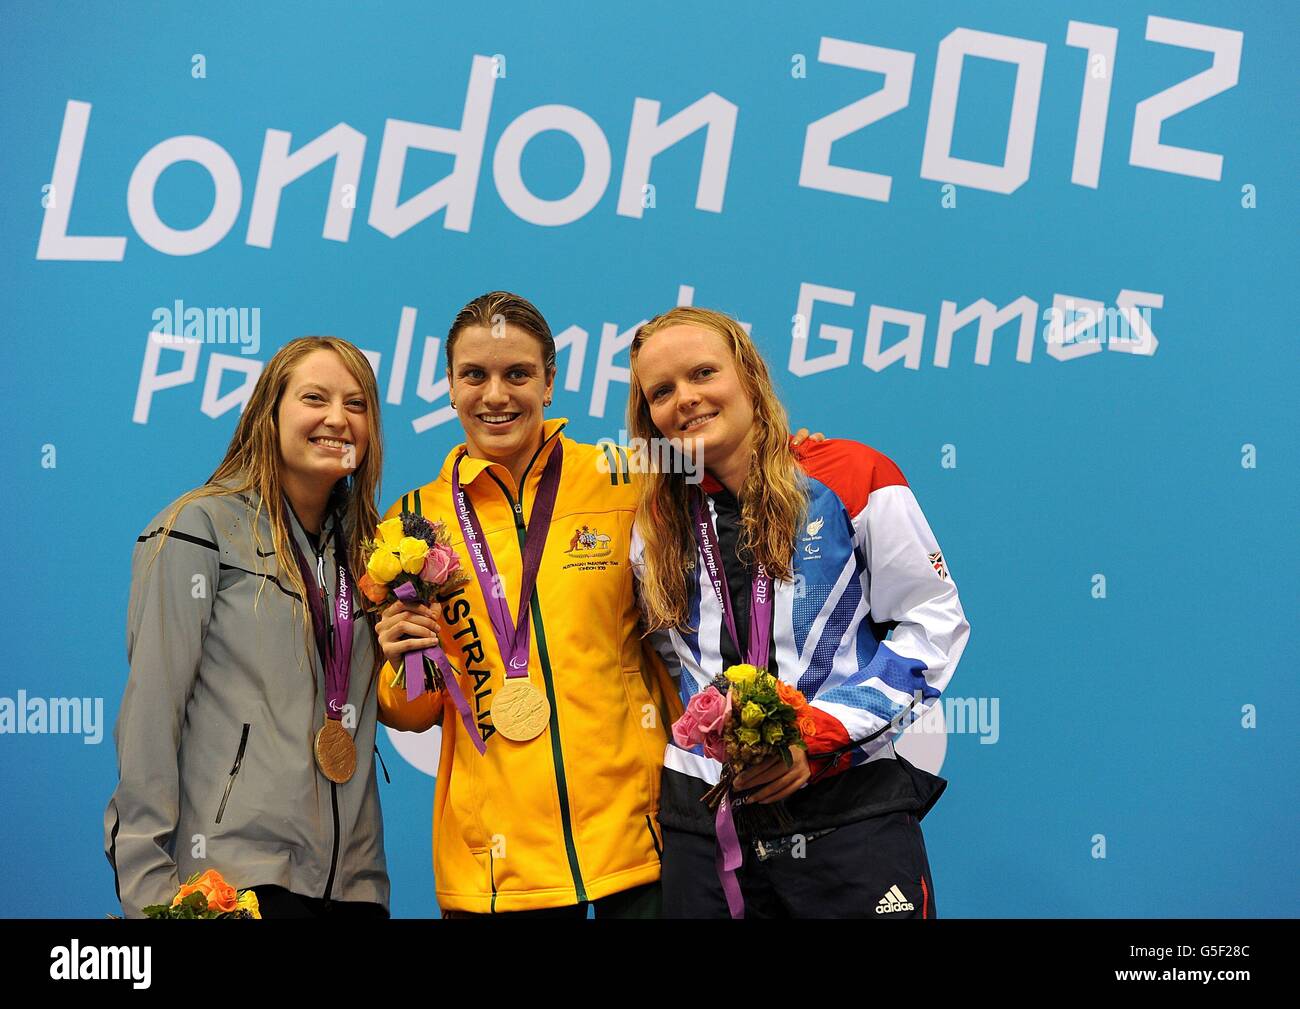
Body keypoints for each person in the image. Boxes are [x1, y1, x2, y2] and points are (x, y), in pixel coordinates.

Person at [628, 306, 971, 918]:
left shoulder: (851, 474)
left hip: (846, 806)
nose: (685, 398)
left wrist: (822, 733)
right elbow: (663, 652)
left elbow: (932, 622)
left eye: (703, 373)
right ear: (648, 416)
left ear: (749, 375)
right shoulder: (649, 523)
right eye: (661, 391)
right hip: (705, 824)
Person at [374, 291, 675, 917]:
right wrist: (403, 660)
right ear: (450, 388)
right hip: (496, 865)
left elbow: (726, 475)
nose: (496, 395)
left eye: (518, 374)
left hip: (642, 843)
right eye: (474, 376)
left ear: (551, 381)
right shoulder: (408, 523)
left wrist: (794, 449)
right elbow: (412, 713)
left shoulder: (626, 479)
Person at [104, 336, 391, 919]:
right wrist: (149, 889)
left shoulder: (375, 555)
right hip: (232, 886)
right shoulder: (197, 529)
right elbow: (152, 716)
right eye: (315, 398)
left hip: (353, 887)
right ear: (269, 412)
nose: (337, 419)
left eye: (357, 404)